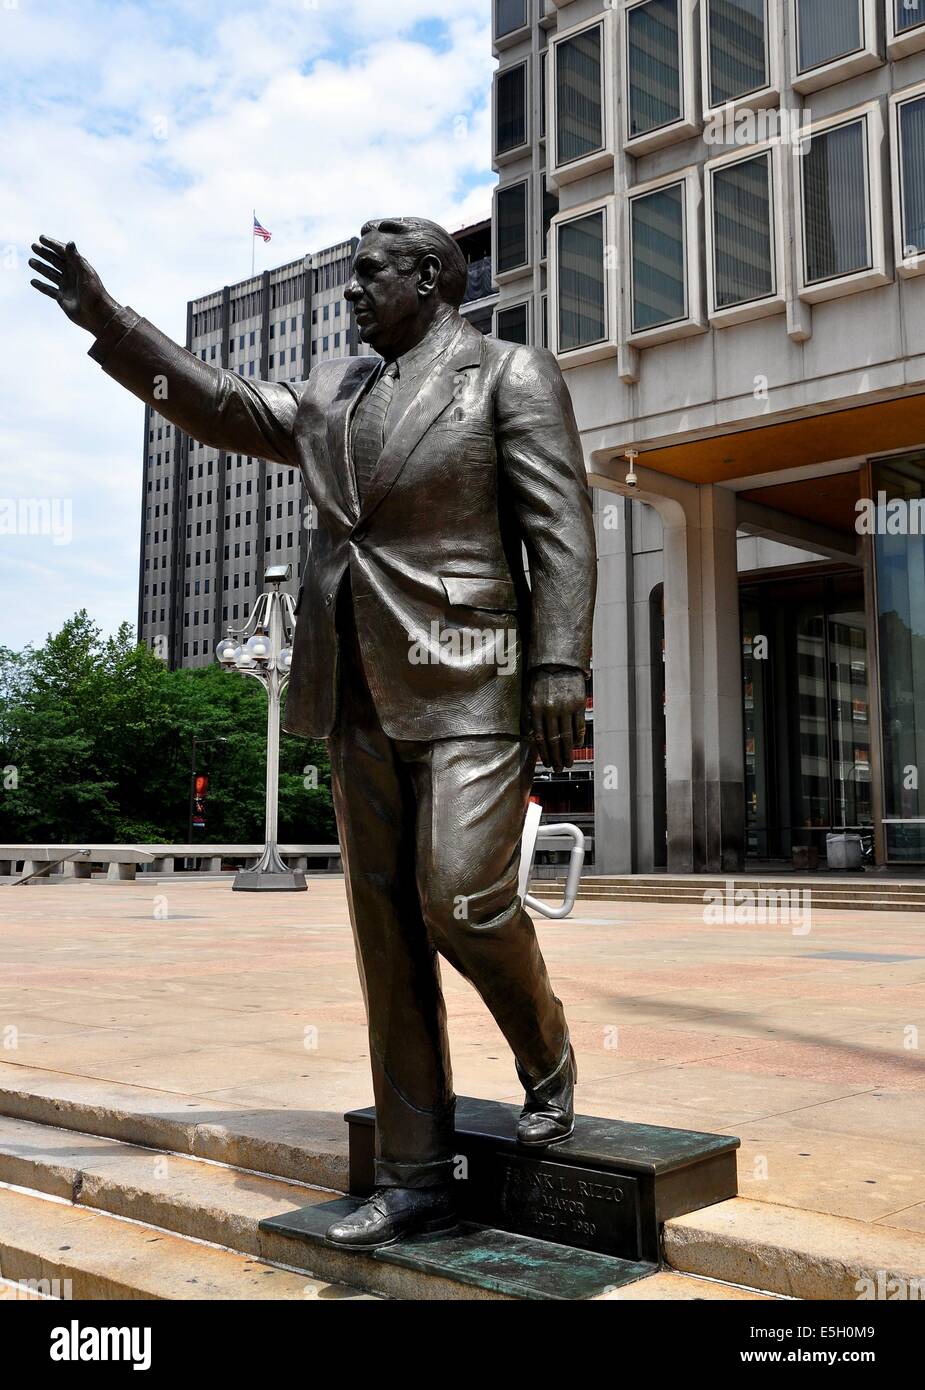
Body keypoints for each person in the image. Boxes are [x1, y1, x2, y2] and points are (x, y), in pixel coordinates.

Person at [29, 218, 597, 1249]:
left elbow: (560, 526)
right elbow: (218, 405)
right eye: (348, 277)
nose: (352, 292)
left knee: (459, 898)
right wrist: (110, 324)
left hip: (474, 679)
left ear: (430, 278)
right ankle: (415, 1171)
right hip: (352, 686)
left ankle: (546, 1052)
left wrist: (559, 661)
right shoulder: (333, 389)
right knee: (385, 938)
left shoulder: (508, 375)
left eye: (371, 275)